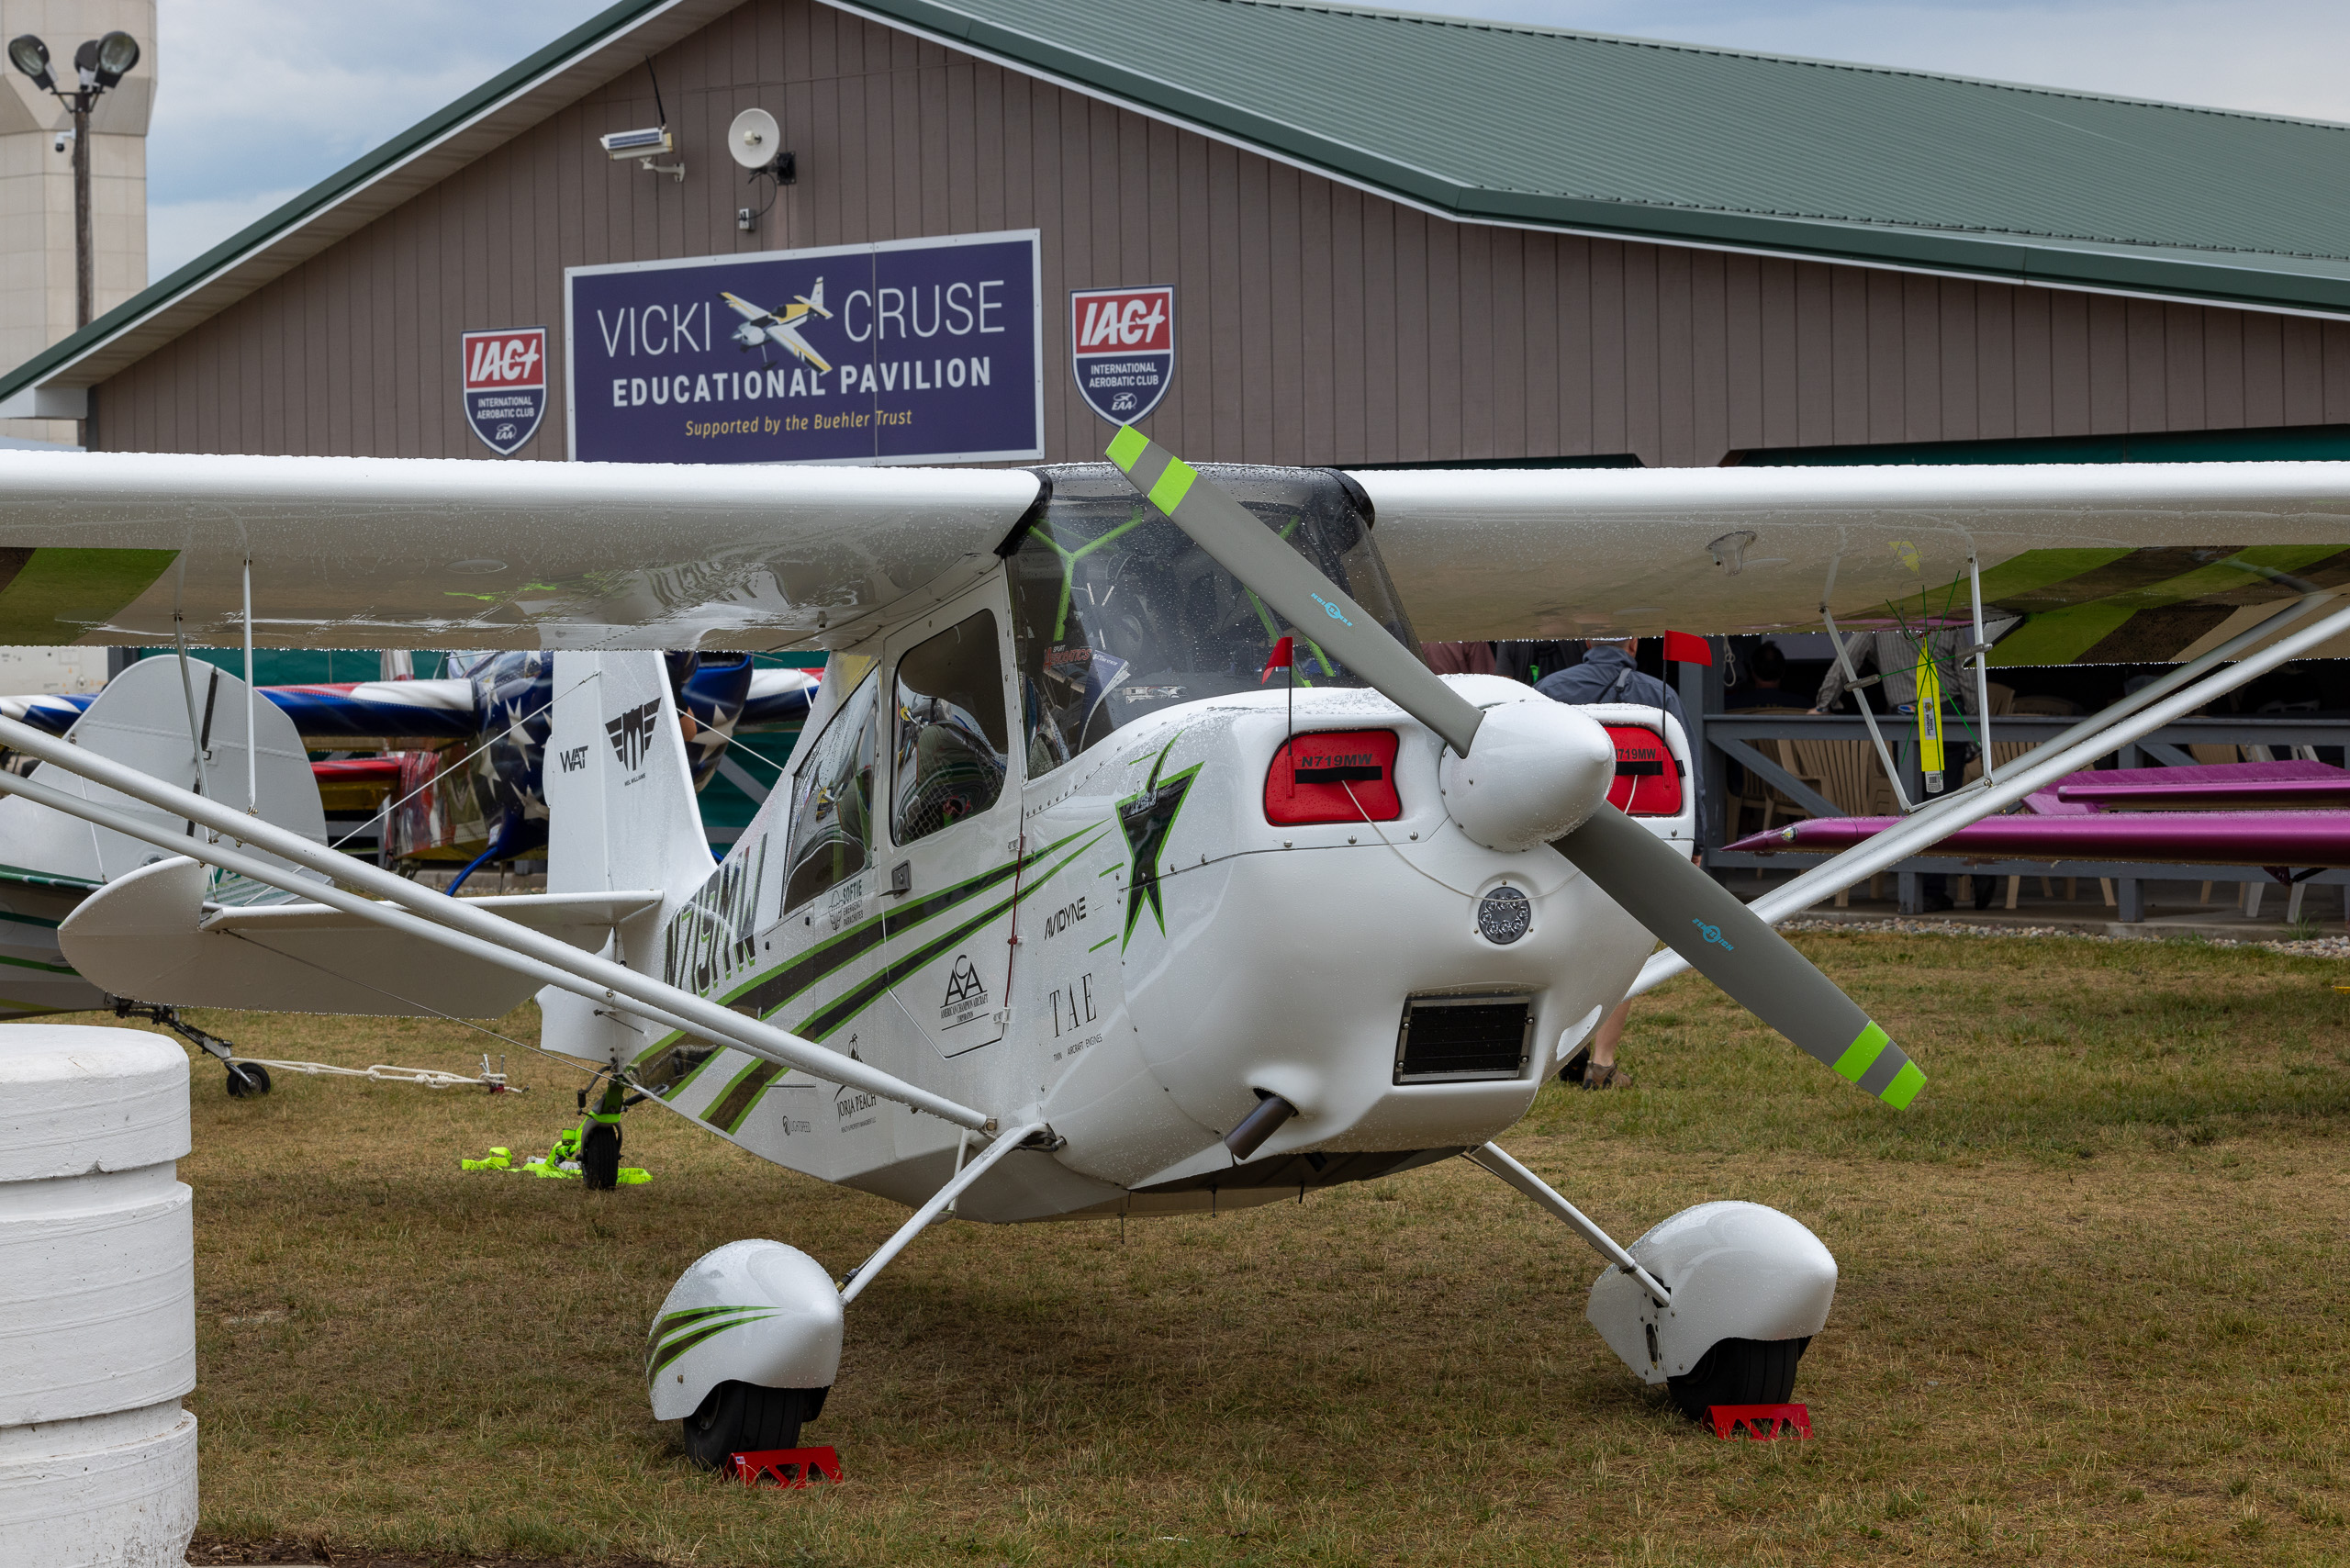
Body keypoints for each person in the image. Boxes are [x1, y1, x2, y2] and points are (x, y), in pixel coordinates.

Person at [1534, 636, 1699, 1091]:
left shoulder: (1549, 688)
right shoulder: (1661, 695)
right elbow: (1688, 774)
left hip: (1567, 835)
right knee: (1624, 948)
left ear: (1588, 642)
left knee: (1563, 942)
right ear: (1633, 642)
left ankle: (1557, 1052)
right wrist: (1696, 841)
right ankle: (1601, 1063)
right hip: (1639, 837)